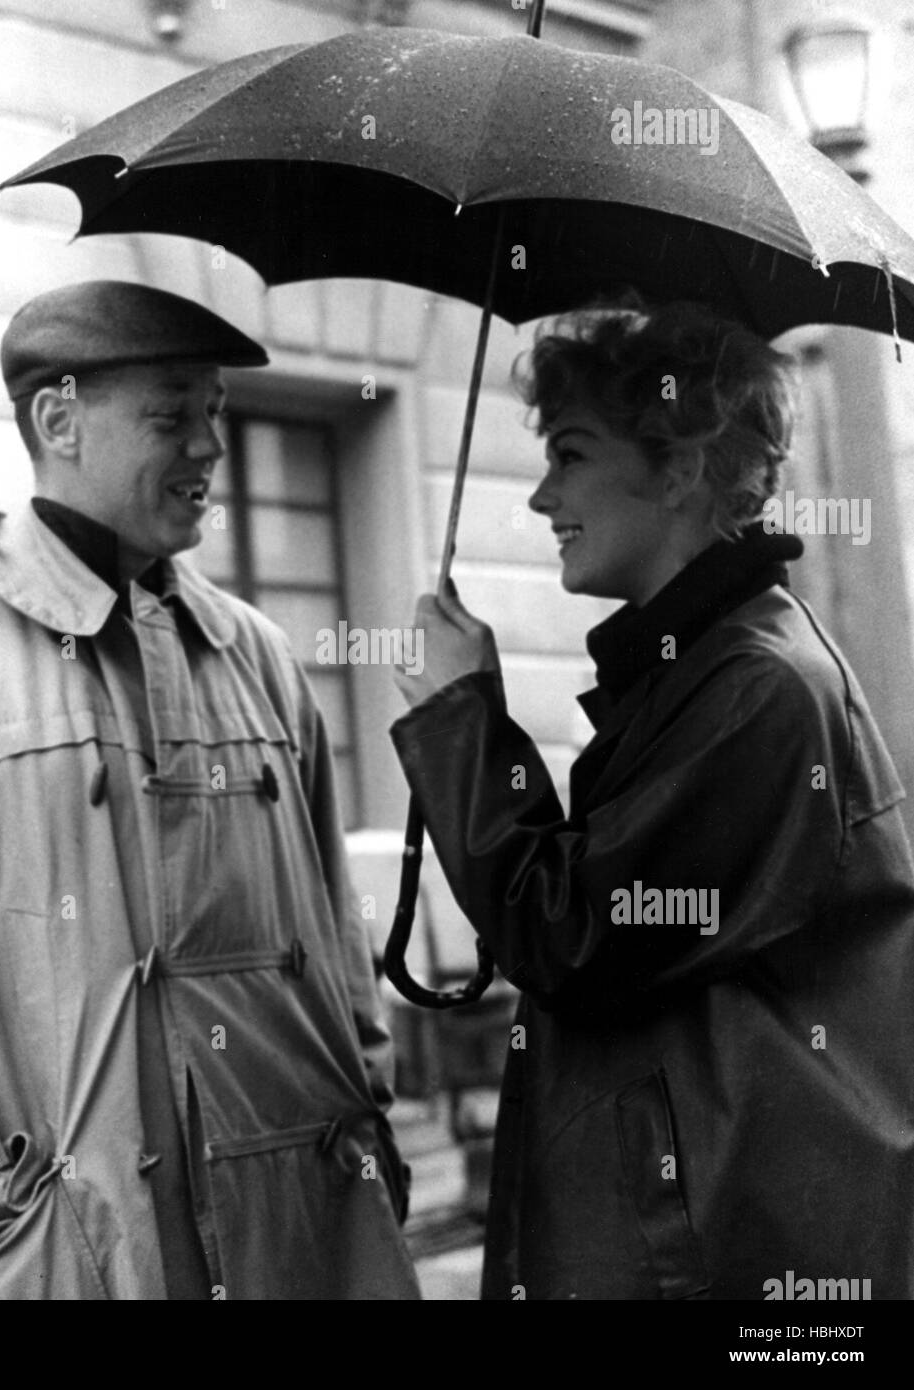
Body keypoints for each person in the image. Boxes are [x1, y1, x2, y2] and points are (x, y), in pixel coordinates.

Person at [0, 279, 419, 1300]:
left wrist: (362, 1141)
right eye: (173, 415)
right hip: (59, 1270)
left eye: (216, 415)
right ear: (60, 418)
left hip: (295, 1249)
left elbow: (333, 946)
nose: (210, 448)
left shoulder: (263, 659)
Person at [390, 298, 914, 1300]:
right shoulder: (703, 668)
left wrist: (463, 722)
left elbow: (572, 933)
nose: (543, 498)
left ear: (678, 469)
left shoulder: (756, 688)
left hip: (727, 1256)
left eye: (573, 455)